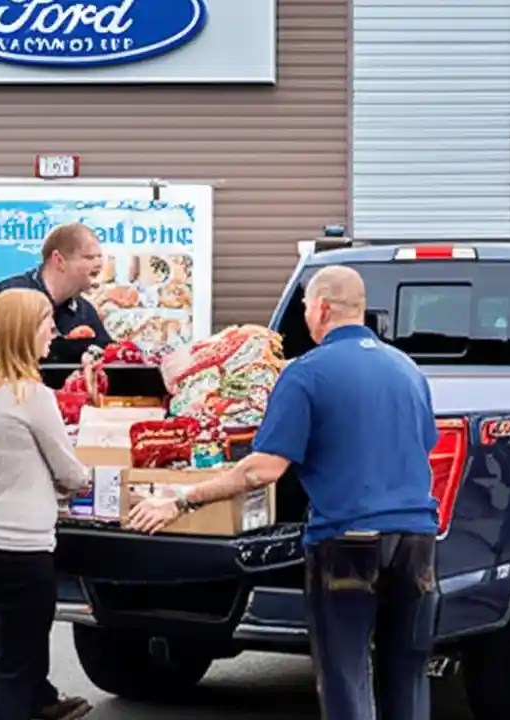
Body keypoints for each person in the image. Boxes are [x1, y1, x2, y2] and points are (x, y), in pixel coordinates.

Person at [128, 265, 440, 720]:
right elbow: (423, 444)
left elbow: (263, 470)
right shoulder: (407, 369)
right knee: (407, 673)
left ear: (322, 308)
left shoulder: (305, 373)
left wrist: (179, 500)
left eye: (305, 308)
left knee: (346, 675)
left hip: (346, 540)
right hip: (417, 539)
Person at [0, 222, 104, 720]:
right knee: (17, 671)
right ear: (22, 332)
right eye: (45, 328)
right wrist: (81, 479)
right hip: (22, 550)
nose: (52, 334)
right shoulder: (35, 396)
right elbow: (72, 476)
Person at [0, 222, 112, 374]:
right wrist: (0, 377)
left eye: (99, 257)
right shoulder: (10, 296)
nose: (99, 264)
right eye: (89, 257)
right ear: (59, 260)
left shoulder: (85, 312)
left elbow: (111, 360)